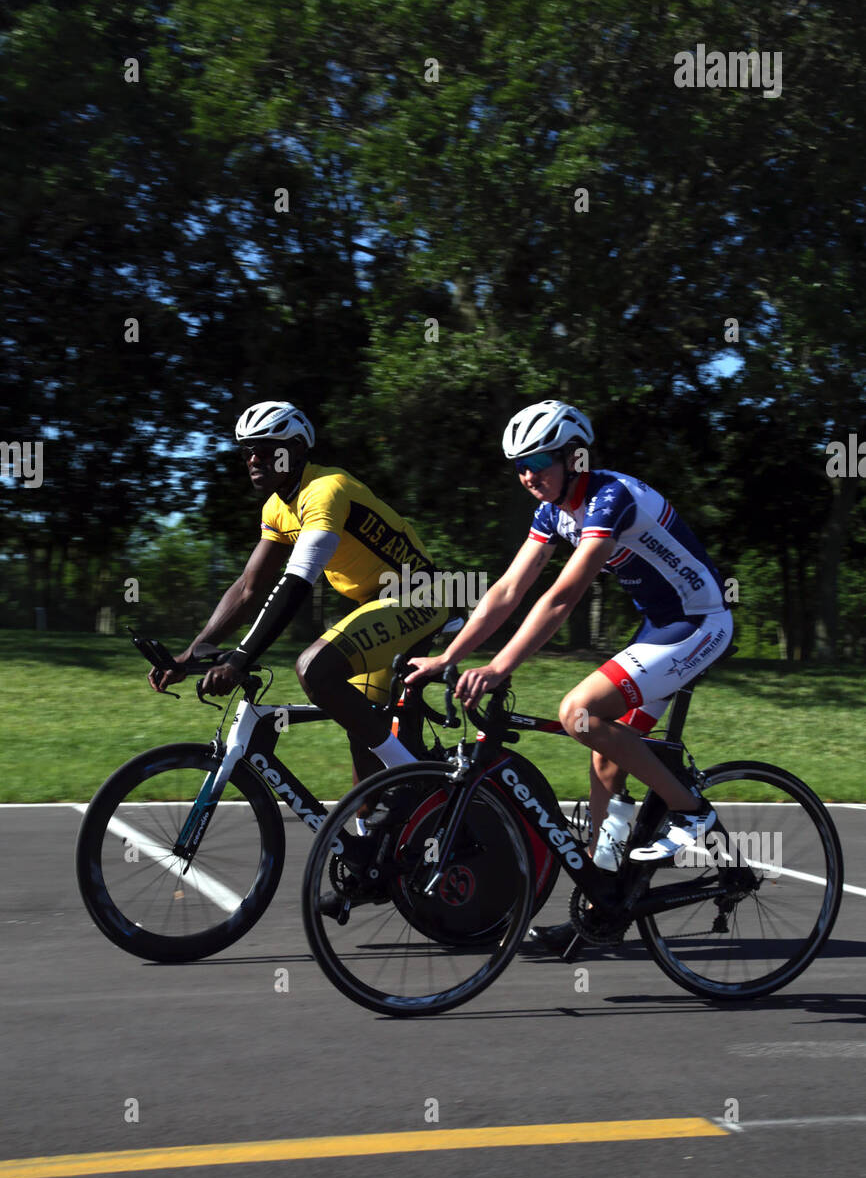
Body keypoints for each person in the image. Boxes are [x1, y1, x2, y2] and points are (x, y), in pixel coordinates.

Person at [406, 398, 734, 954]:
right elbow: (508, 591)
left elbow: (562, 597)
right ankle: (603, 906)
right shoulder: (554, 511)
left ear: (575, 458)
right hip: (660, 627)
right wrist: (448, 657)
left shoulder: (611, 498)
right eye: (519, 466)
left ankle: (692, 813)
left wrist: (500, 665)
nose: (527, 476)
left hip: (700, 623)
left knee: (578, 712)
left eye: (538, 462)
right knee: (605, 757)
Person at [148, 401, 450, 781]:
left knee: (315, 668)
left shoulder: (326, 490)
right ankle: (391, 805)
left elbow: (297, 582)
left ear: (295, 449)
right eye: (247, 451)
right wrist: (190, 654)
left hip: (422, 596)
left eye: (265, 450)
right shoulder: (276, 508)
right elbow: (248, 588)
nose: (253, 459)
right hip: (378, 602)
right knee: (365, 735)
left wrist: (239, 659)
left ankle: (406, 771)